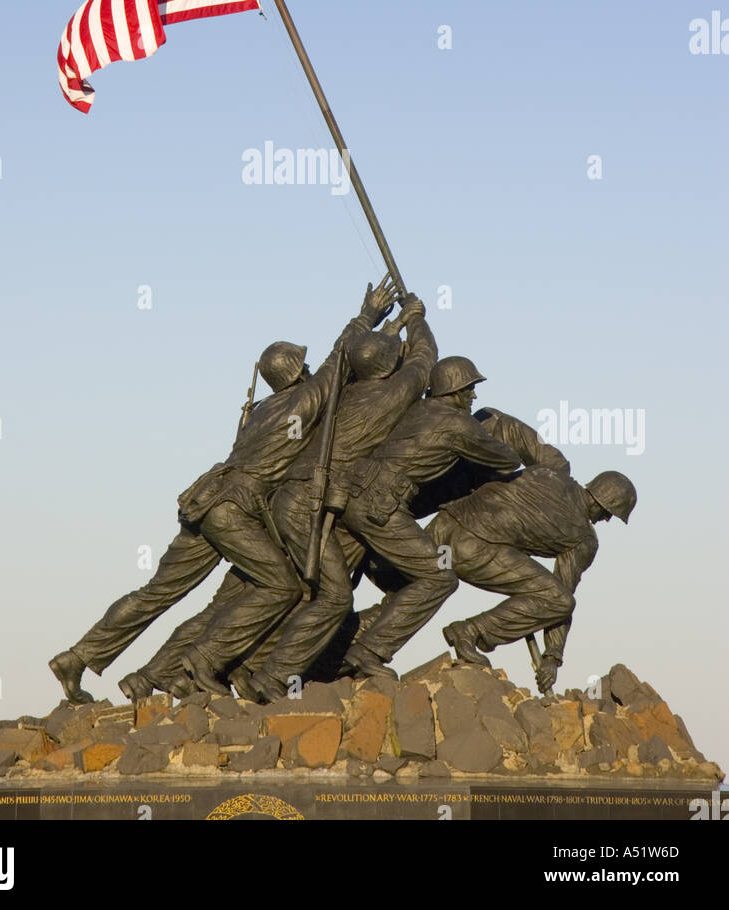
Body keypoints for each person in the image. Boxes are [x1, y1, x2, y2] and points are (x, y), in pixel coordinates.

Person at [48, 278, 397, 703]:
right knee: (281, 587)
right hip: (234, 508)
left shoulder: (262, 411)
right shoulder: (303, 401)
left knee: (157, 592)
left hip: (205, 499)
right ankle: (203, 661)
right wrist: (367, 317)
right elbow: (338, 364)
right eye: (303, 367)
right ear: (297, 374)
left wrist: (382, 337)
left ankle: (78, 656)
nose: (309, 370)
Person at [248, 351, 522, 695]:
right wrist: (494, 429)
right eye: (470, 389)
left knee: (366, 590)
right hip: (380, 505)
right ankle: (366, 653)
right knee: (438, 578)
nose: (474, 397)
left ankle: (313, 665)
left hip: (351, 497)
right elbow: (507, 459)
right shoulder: (458, 423)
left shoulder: (418, 410)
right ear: (454, 391)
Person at [431, 465, 637, 693]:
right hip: (469, 548)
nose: (606, 520)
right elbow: (561, 599)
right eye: (609, 513)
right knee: (558, 599)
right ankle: (469, 631)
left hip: (441, 526)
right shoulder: (584, 540)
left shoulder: (548, 473)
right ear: (602, 503)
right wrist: (552, 657)